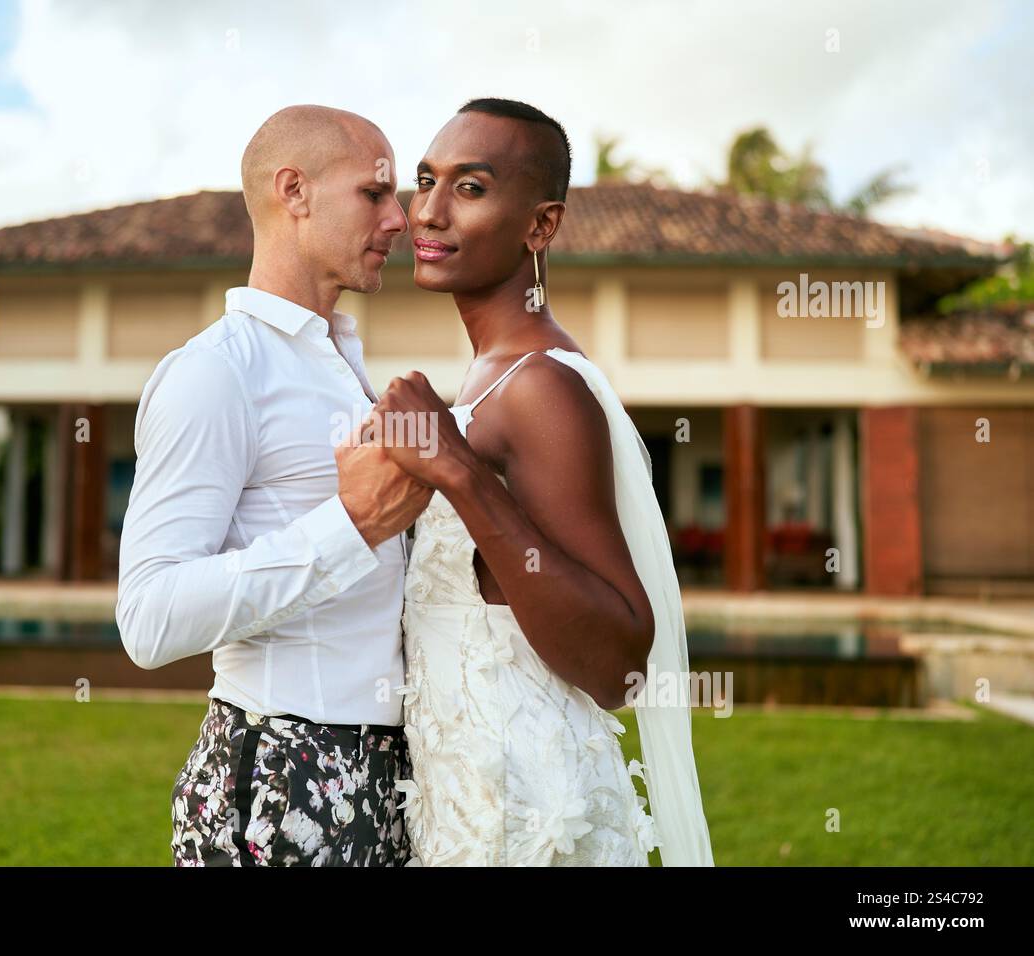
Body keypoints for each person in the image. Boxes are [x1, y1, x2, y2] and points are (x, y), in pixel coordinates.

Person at [360, 98, 715, 865]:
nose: (428, 212)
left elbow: (620, 659)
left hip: (525, 817)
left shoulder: (541, 386)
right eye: (425, 181)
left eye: (471, 187)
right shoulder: (487, 376)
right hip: (463, 800)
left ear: (541, 225)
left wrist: (457, 471)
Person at [116, 105, 431, 866]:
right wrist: (347, 528)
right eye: (374, 194)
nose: (400, 219)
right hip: (282, 774)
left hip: (389, 773)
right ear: (295, 192)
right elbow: (149, 618)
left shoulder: (344, 366)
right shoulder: (215, 373)